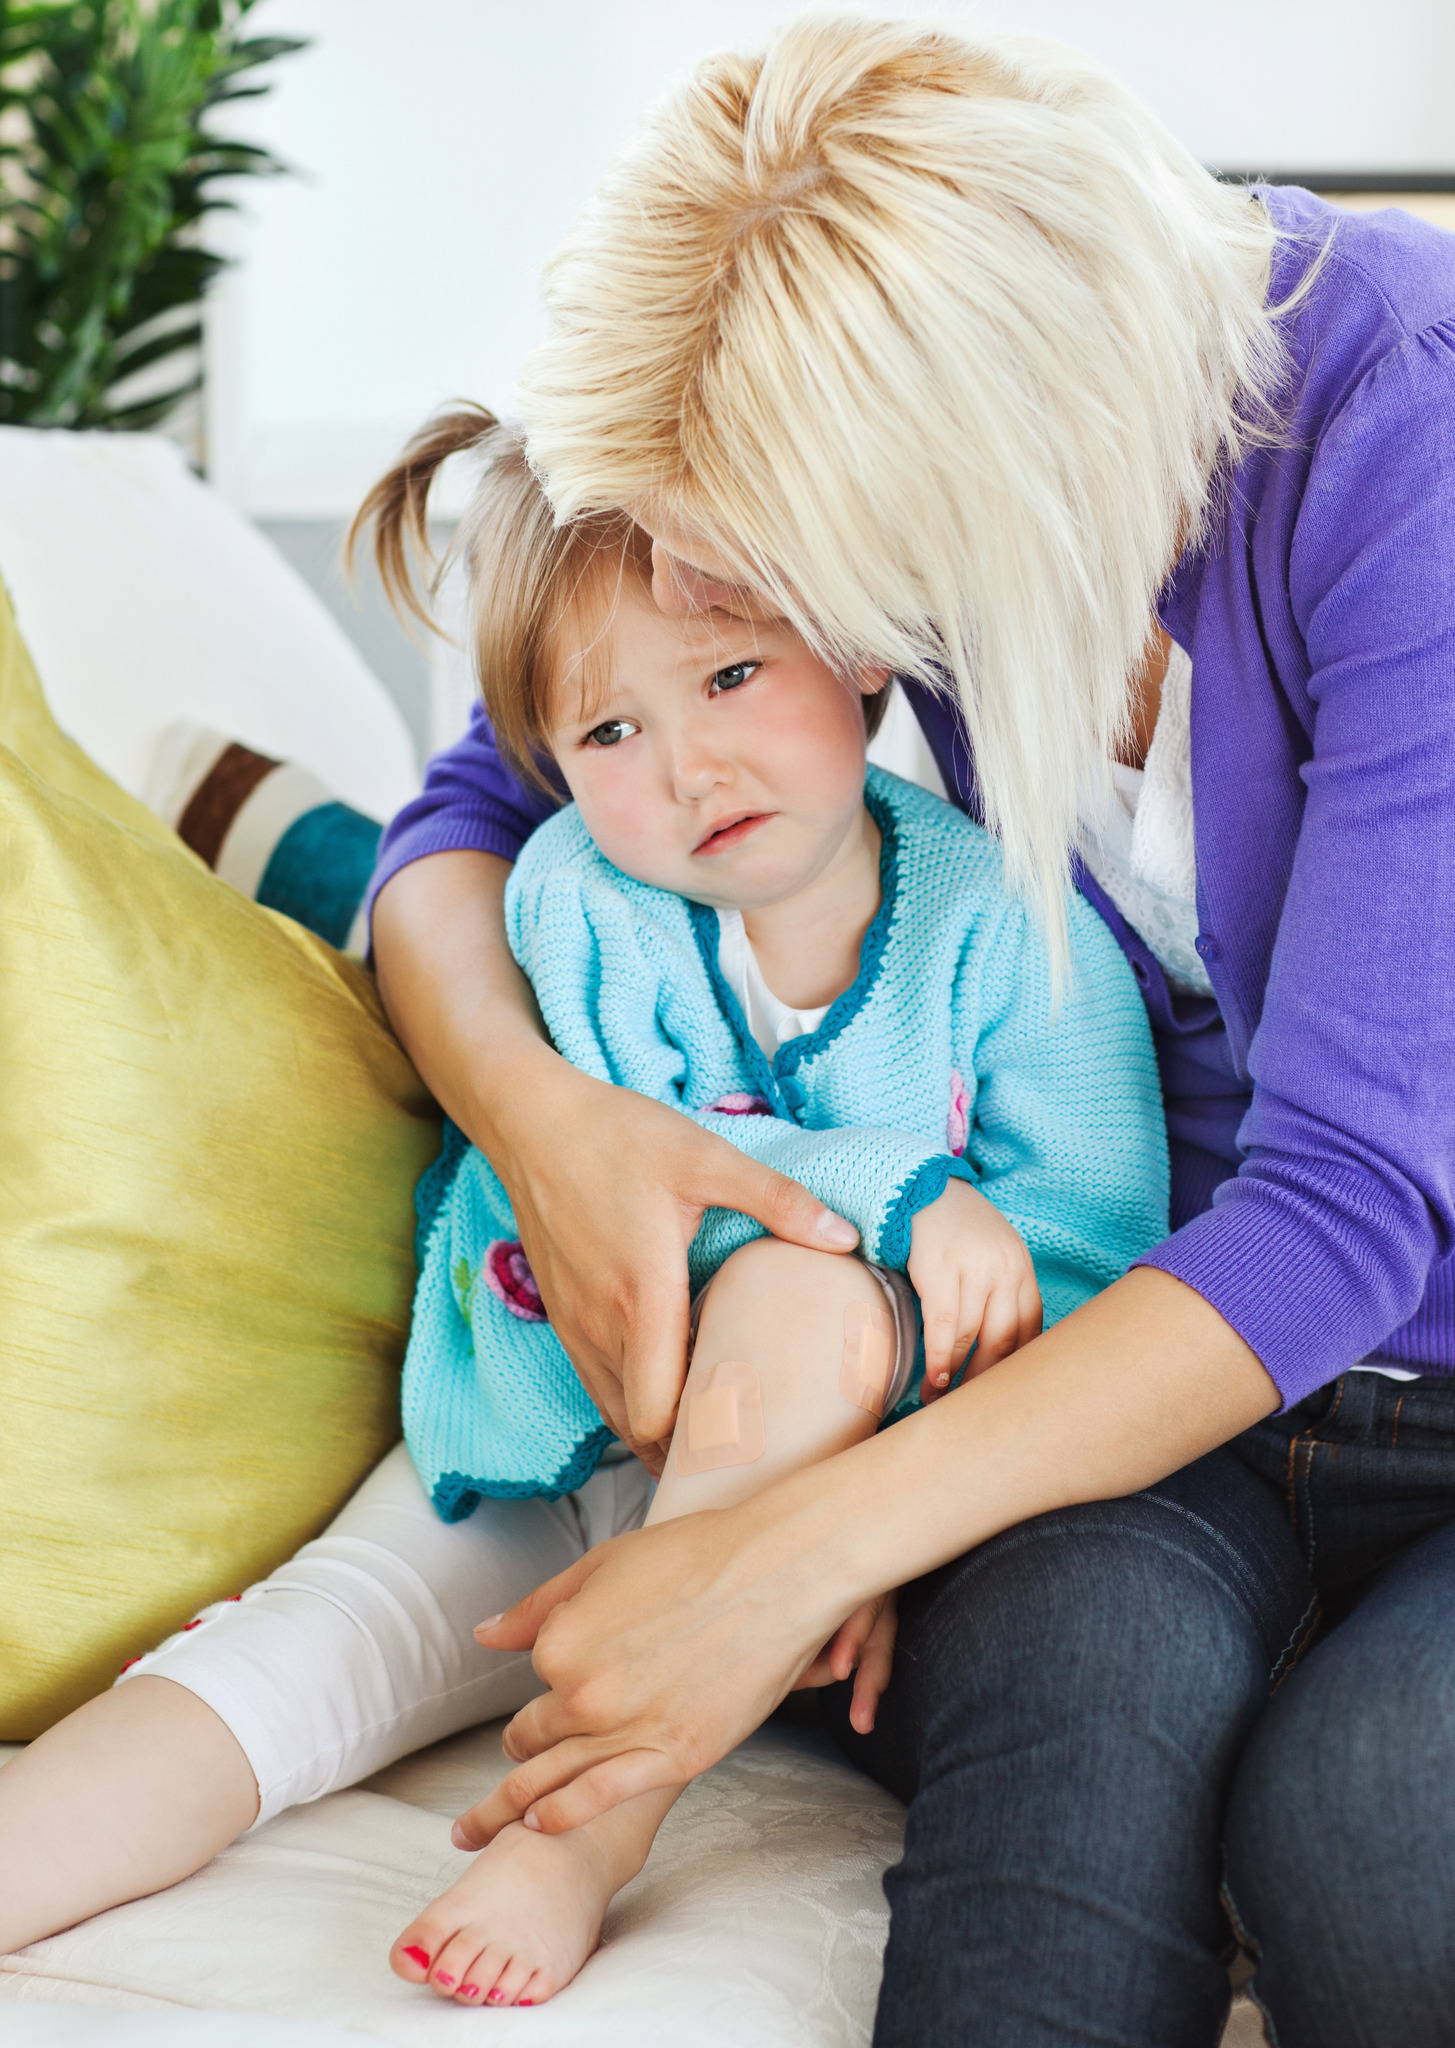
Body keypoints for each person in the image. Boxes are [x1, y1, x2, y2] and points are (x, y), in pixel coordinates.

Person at [363, 19, 1455, 2048]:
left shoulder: (1408, 435)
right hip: (1136, 1382)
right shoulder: (813, 483)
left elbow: (1348, 1204)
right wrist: (541, 1121)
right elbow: (464, 824)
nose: (814, 648)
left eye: (797, 597)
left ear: (1000, 472)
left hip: (1376, 1326)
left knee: (1377, 1847)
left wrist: (780, 1554)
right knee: (1066, 1762)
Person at [0, 419, 1167, 2011]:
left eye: (735, 676)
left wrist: (877, 1520)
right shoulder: (571, 899)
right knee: (287, 1661)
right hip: (538, 1415)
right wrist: (904, 1190)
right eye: (608, 730)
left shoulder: (1014, 930)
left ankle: (588, 1827)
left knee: (811, 1305)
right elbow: (647, 1187)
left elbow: (1100, 1260)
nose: (689, 767)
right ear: (542, 757)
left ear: (865, 656)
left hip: (787, 1492)